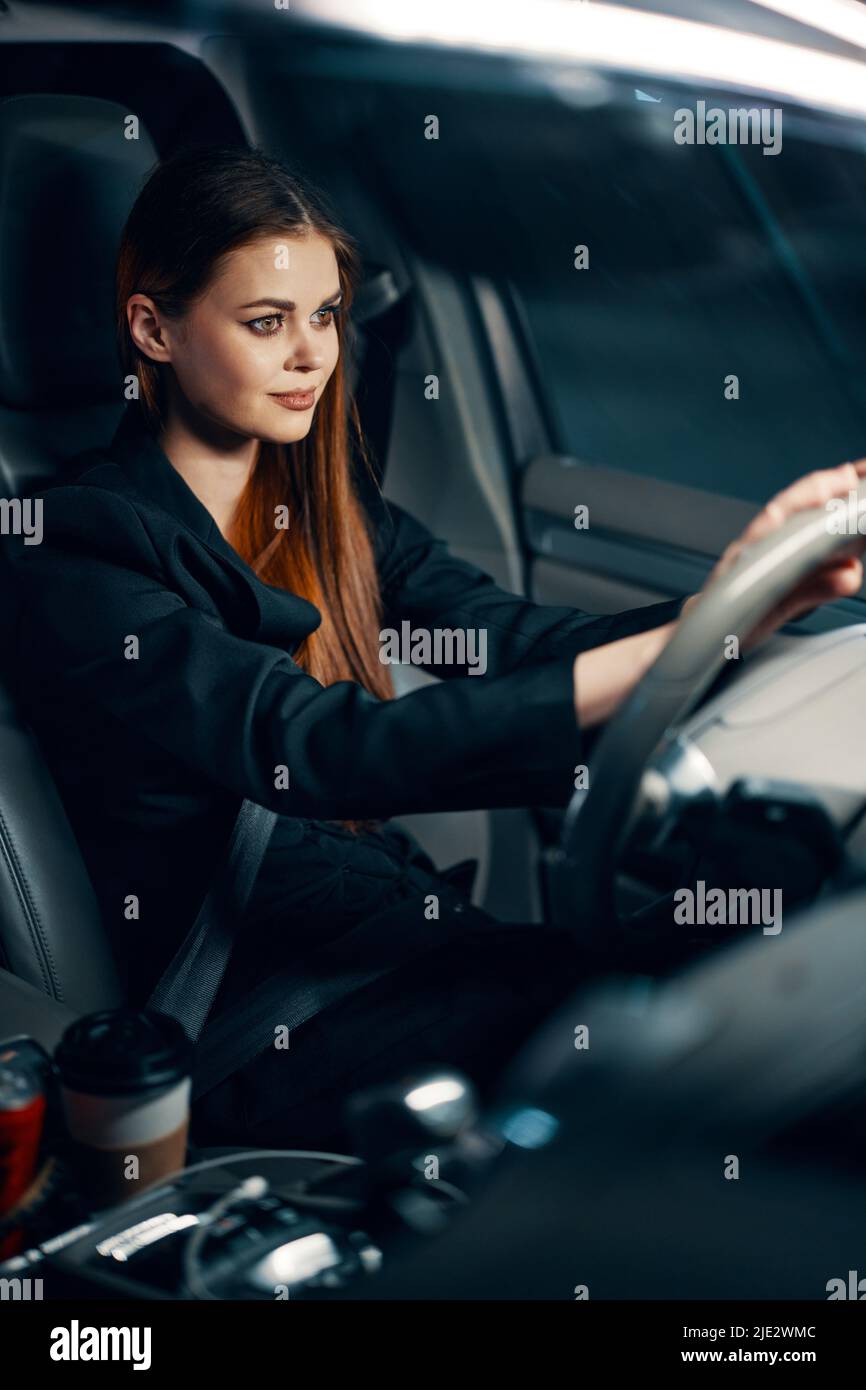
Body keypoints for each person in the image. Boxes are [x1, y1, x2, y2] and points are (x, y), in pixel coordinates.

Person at [6, 147, 865, 1151]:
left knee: (766, 913)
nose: (311, 356)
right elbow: (322, 746)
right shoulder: (78, 552)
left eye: (325, 315)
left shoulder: (322, 509)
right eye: (264, 322)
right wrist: (692, 634)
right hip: (268, 1031)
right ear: (153, 329)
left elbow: (511, 638)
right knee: (685, 1041)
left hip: (408, 954)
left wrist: (744, 592)